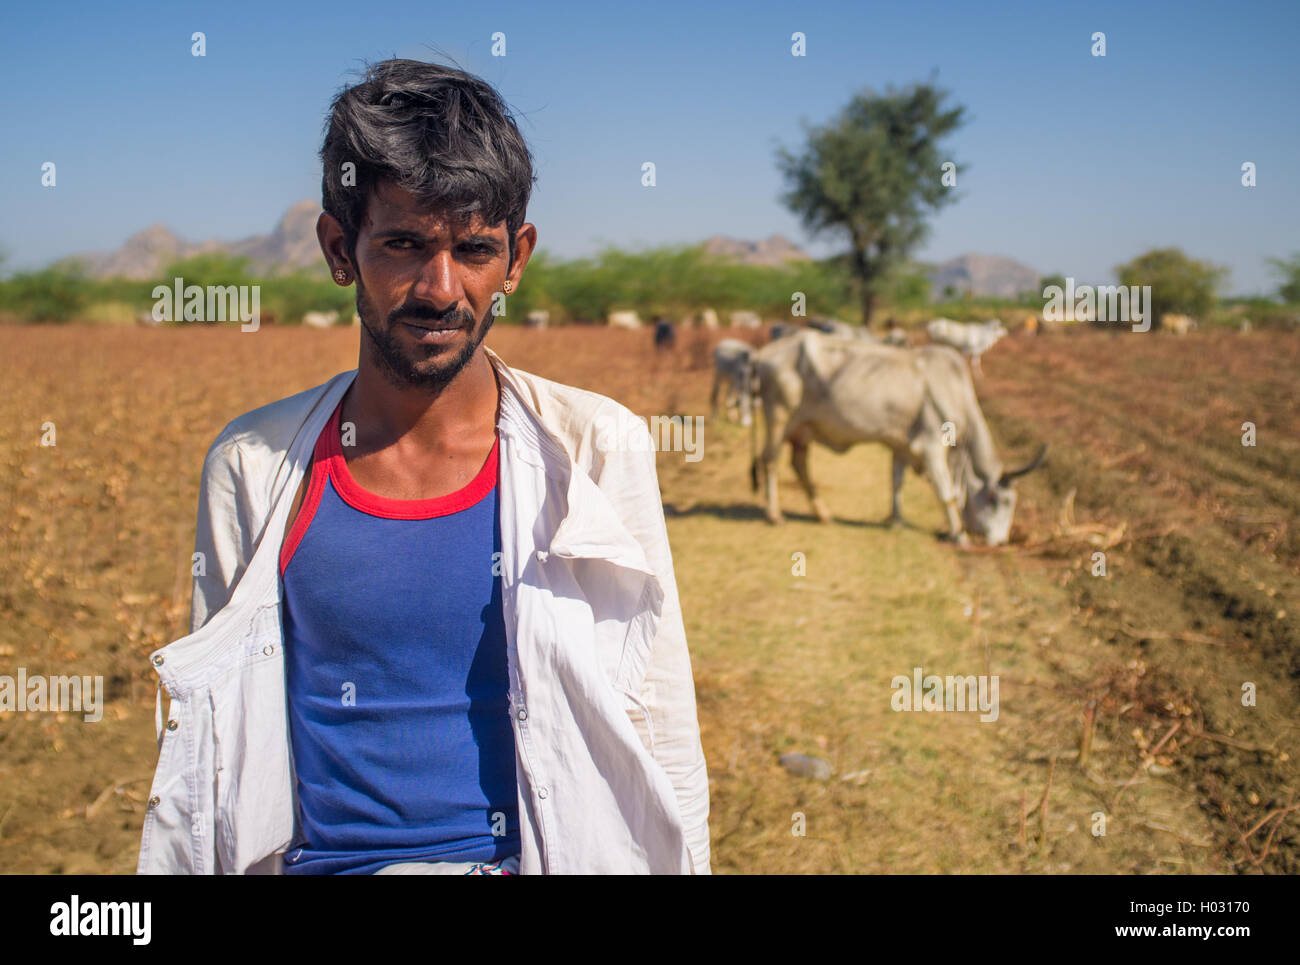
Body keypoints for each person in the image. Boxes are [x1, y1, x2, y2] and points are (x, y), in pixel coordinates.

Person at [136, 59, 710, 875]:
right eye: (404, 243)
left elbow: (660, 723)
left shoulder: (594, 448)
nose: (442, 288)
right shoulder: (254, 466)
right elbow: (215, 744)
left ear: (516, 259)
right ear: (341, 248)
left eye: (475, 249)